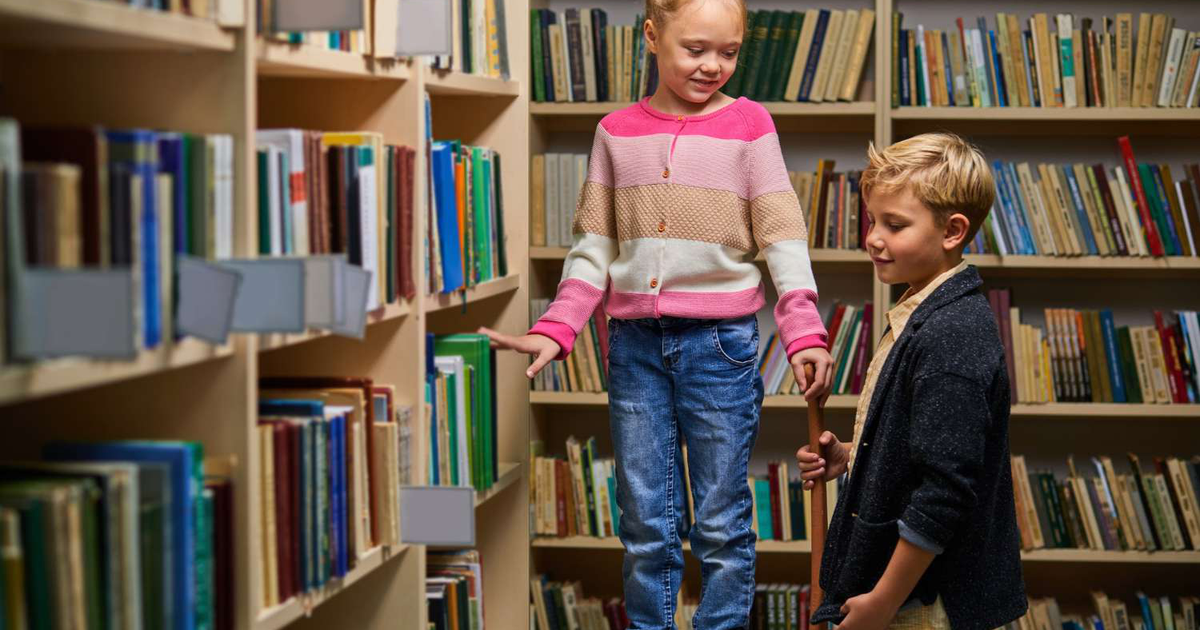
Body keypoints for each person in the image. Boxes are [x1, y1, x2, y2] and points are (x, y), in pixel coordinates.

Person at [481, 0, 834, 626]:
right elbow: (593, 249)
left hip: (720, 346)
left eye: (728, 53)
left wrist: (803, 329)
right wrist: (556, 328)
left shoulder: (751, 127)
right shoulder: (616, 132)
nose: (713, 66)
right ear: (652, 35)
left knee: (722, 520)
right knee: (645, 521)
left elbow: (783, 239)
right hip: (635, 347)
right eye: (695, 49)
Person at [796, 133, 1027, 630]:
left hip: (925, 603)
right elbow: (924, 446)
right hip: (910, 596)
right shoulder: (923, 310)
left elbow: (943, 491)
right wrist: (855, 456)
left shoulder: (952, 336)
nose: (873, 238)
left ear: (953, 231)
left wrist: (881, 600)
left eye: (895, 225)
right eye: (872, 220)